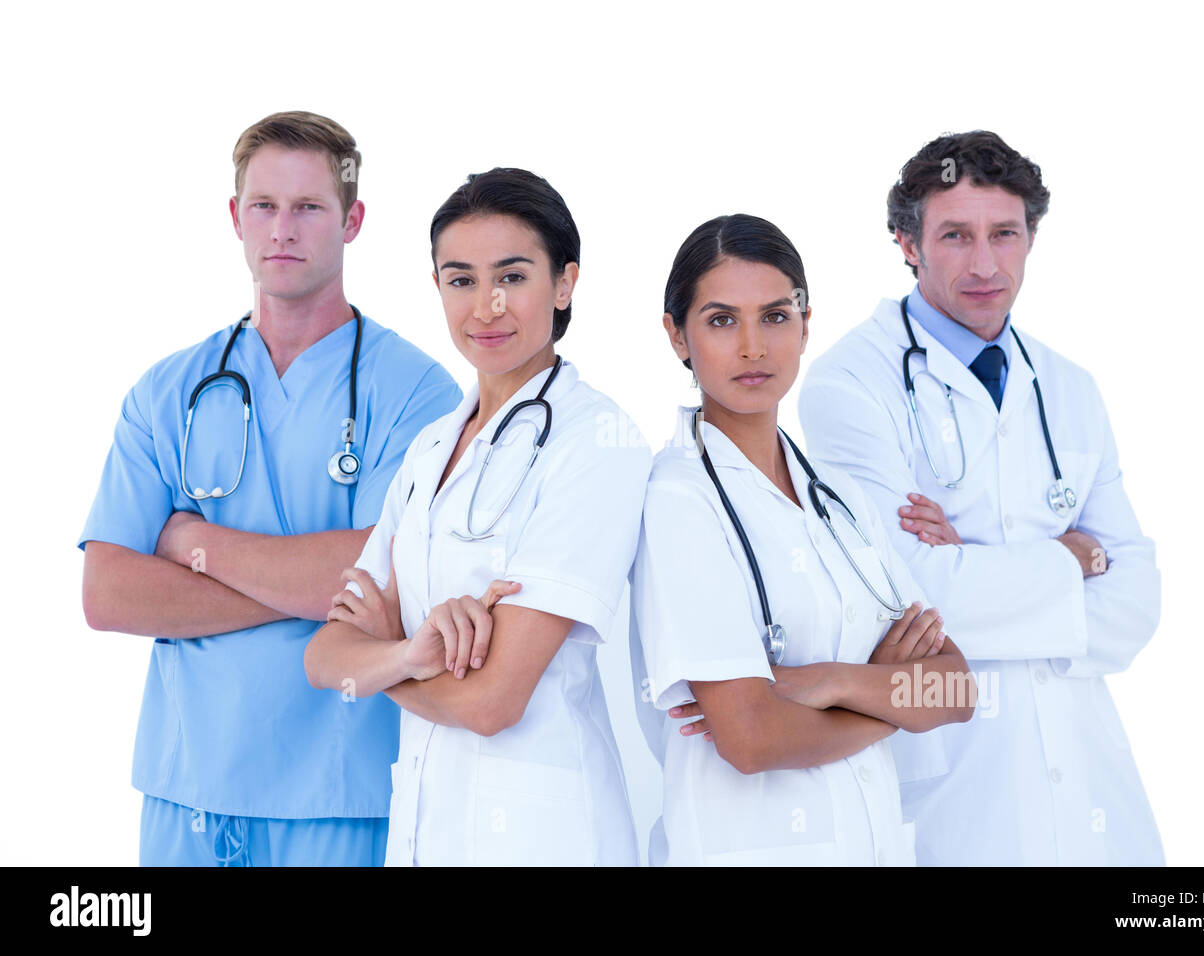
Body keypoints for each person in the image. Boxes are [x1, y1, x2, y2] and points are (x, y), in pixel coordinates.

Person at [78, 111, 462, 866]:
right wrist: (309, 586)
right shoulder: (168, 390)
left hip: (340, 795)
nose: (283, 229)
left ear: (352, 220)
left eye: (309, 207)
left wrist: (193, 543)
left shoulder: (416, 393)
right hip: (186, 787)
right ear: (235, 217)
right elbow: (107, 593)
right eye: (264, 205)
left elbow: (385, 576)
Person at [798, 130, 1163, 866]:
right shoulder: (850, 383)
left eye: (1005, 233)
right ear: (908, 243)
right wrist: (1067, 559)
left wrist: (974, 560)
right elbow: (905, 594)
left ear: (1032, 237)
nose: (986, 264)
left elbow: (1138, 601)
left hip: (1091, 777)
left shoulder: (1070, 387)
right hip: (955, 785)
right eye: (956, 236)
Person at [304, 167, 651, 866]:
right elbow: (322, 659)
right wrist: (413, 651)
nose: (486, 306)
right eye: (461, 279)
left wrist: (382, 659)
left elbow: (495, 702)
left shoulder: (596, 442)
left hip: (542, 839)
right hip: (426, 832)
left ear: (564, 284)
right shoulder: (430, 448)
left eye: (513, 277)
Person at [629, 213, 975, 867]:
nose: (754, 347)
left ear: (806, 324)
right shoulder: (678, 499)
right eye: (722, 320)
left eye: (776, 316)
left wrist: (832, 680)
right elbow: (751, 738)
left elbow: (955, 691)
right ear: (677, 334)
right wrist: (890, 697)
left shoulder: (840, 499)